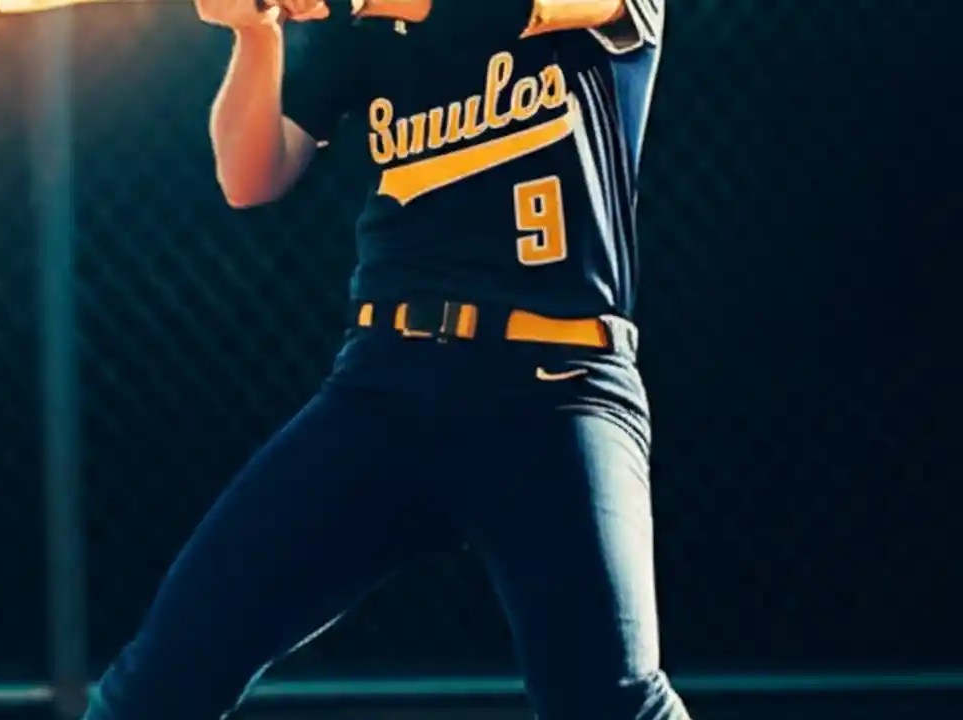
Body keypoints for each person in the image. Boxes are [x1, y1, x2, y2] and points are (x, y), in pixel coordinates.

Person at [83, 0, 691, 717]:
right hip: (386, 389)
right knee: (162, 681)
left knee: (611, 699)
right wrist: (257, 29)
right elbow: (250, 175)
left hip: (556, 393)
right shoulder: (364, 28)